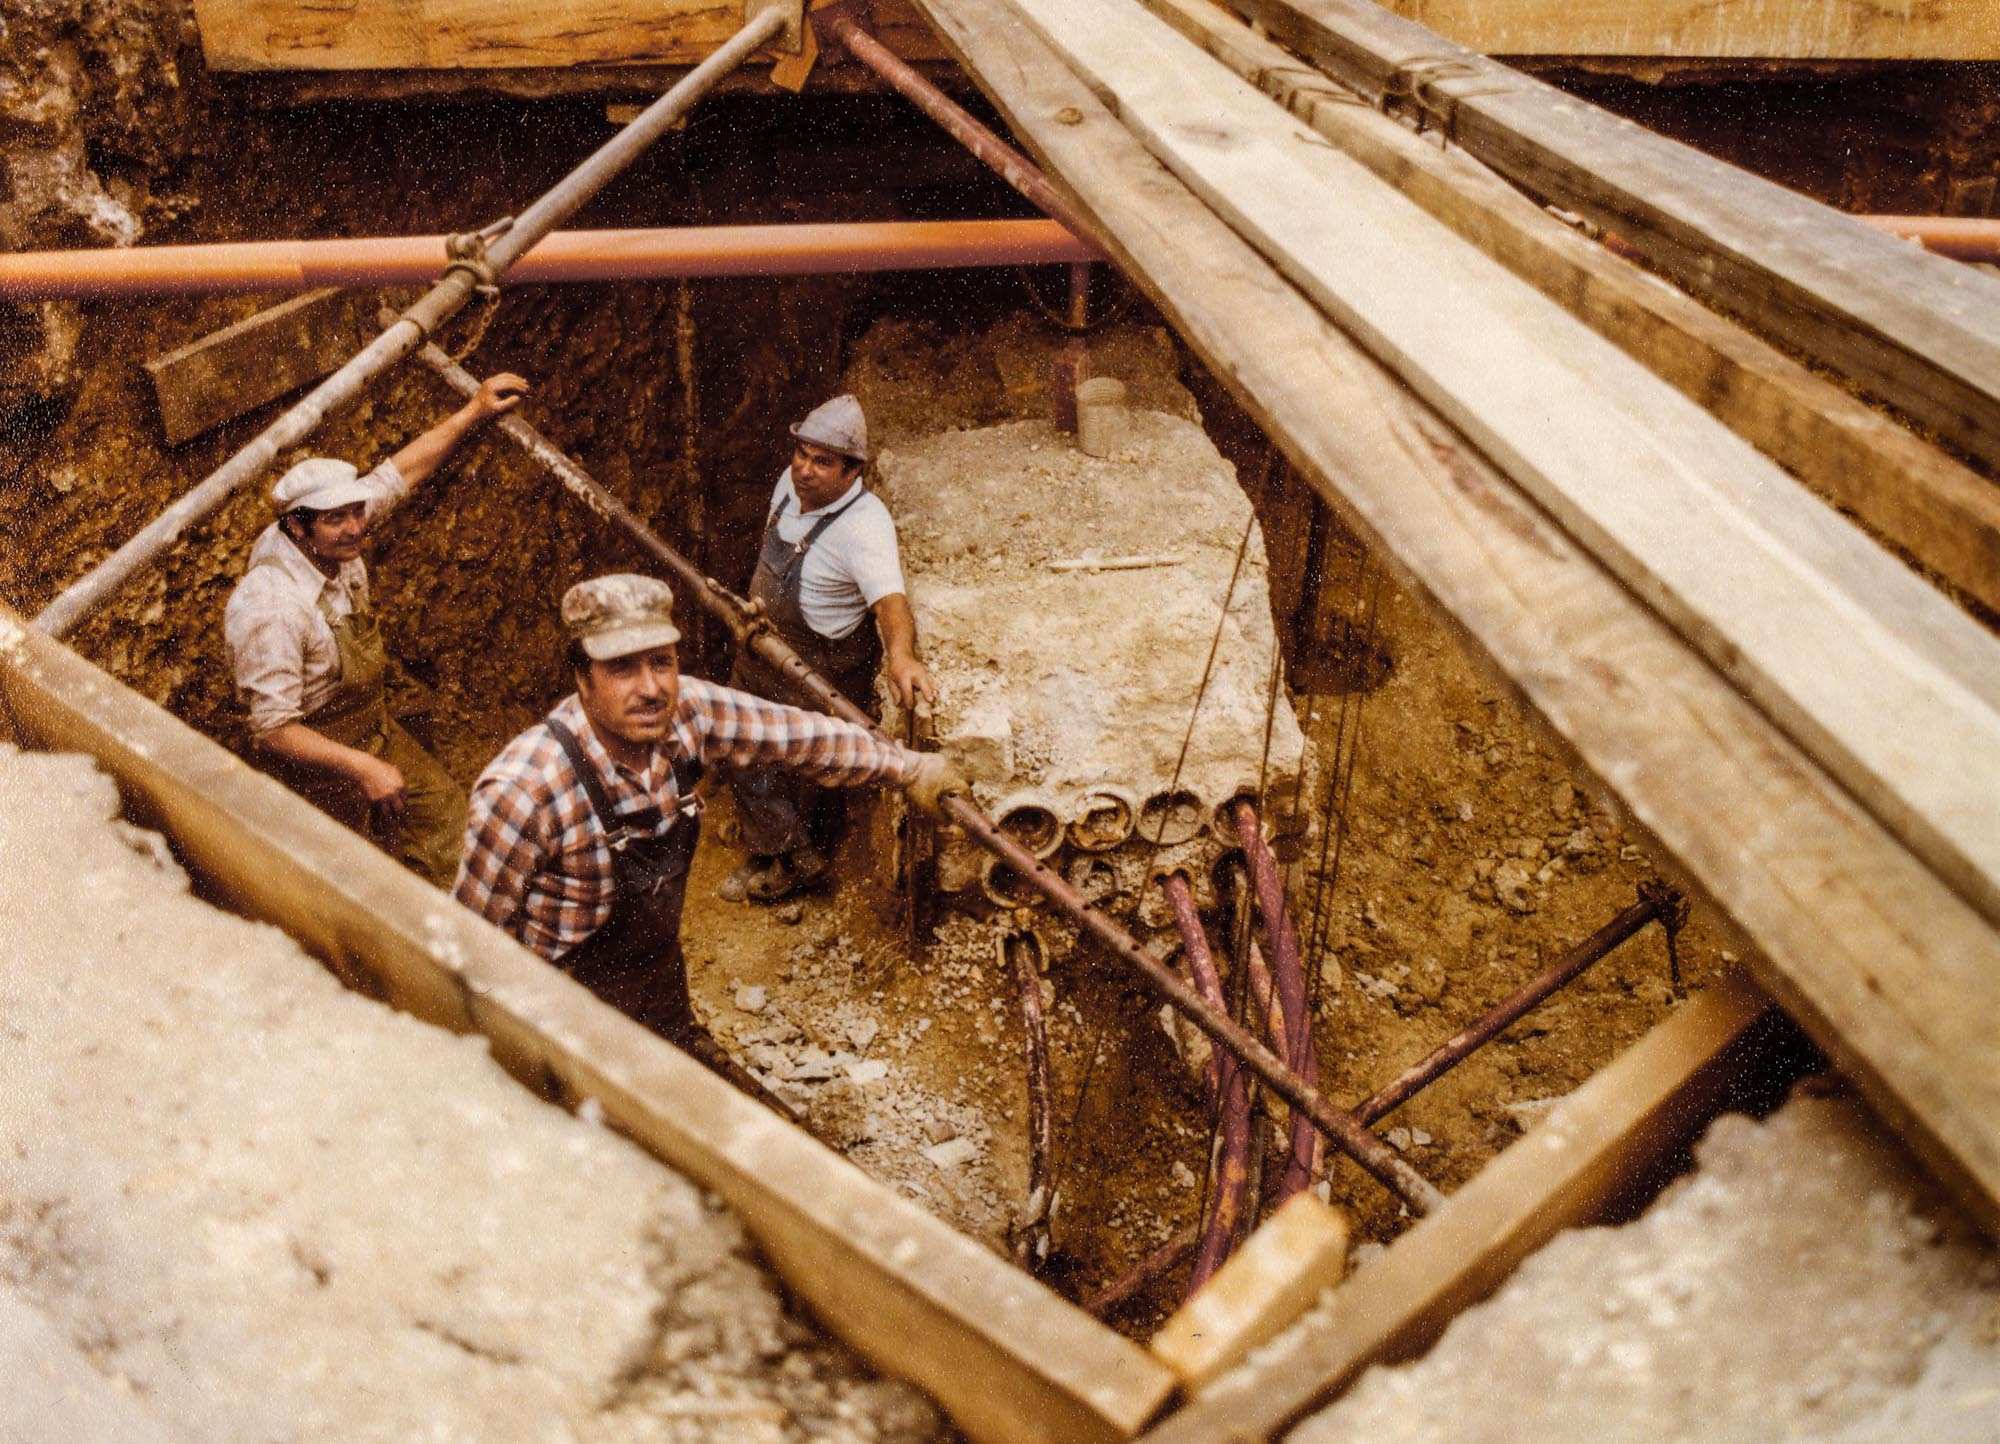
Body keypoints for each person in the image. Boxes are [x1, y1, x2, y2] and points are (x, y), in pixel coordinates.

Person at [454, 573, 964, 1108]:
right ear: (583, 679)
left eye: (661, 662)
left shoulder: (686, 714)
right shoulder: (523, 792)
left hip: (656, 985)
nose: (651, 688)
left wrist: (908, 770)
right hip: (561, 1017)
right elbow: (464, 949)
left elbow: (800, 737)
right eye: (622, 667)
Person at [223, 372, 528, 887]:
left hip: (372, 732)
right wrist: (363, 768)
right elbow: (272, 729)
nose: (355, 527)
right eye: (336, 520)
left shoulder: (334, 531)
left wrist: (474, 409)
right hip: (312, 770)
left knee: (448, 830)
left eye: (355, 512)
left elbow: (402, 472)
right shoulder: (271, 607)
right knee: (354, 885)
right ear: (297, 527)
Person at [722, 393, 936, 905]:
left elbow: (891, 605)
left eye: (823, 461)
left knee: (794, 759)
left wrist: (901, 657)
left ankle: (795, 863)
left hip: (818, 665)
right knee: (738, 743)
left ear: (852, 471)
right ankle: (768, 838)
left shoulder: (865, 526)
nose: (806, 470)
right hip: (762, 645)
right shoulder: (788, 484)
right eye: (802, 453)